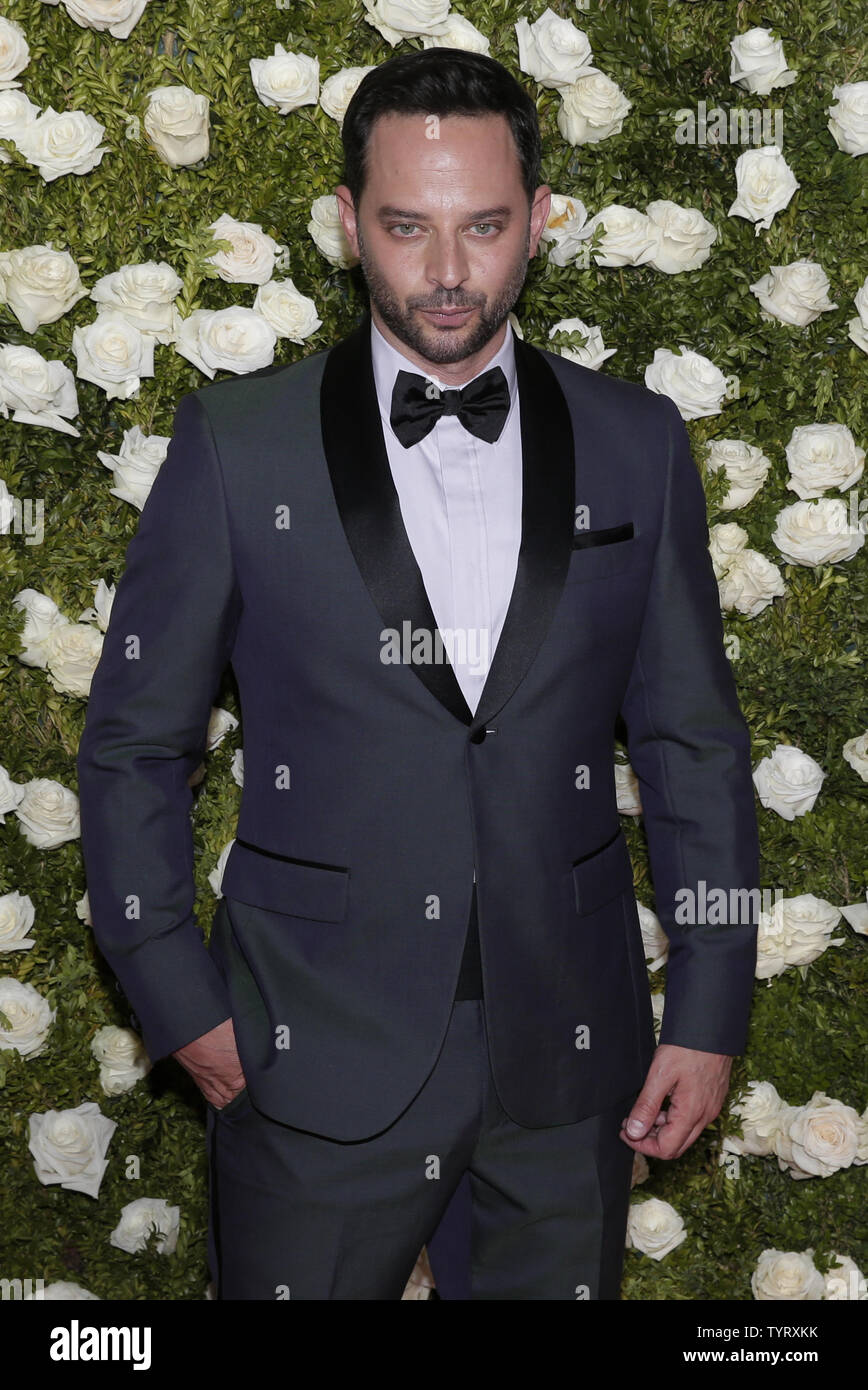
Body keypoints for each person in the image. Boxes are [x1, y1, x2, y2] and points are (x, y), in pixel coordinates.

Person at [75, 47, 760, 1301]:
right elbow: (133, 744)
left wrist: (709, 1011)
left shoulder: (635, 440)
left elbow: (692, 748)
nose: (447, 273)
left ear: (539, 224)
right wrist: (180, 1003)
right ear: (348, 226)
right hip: (305, 1051)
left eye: (484, 227)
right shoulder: (238, 447)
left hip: (569, 1061)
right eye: (406, 227)